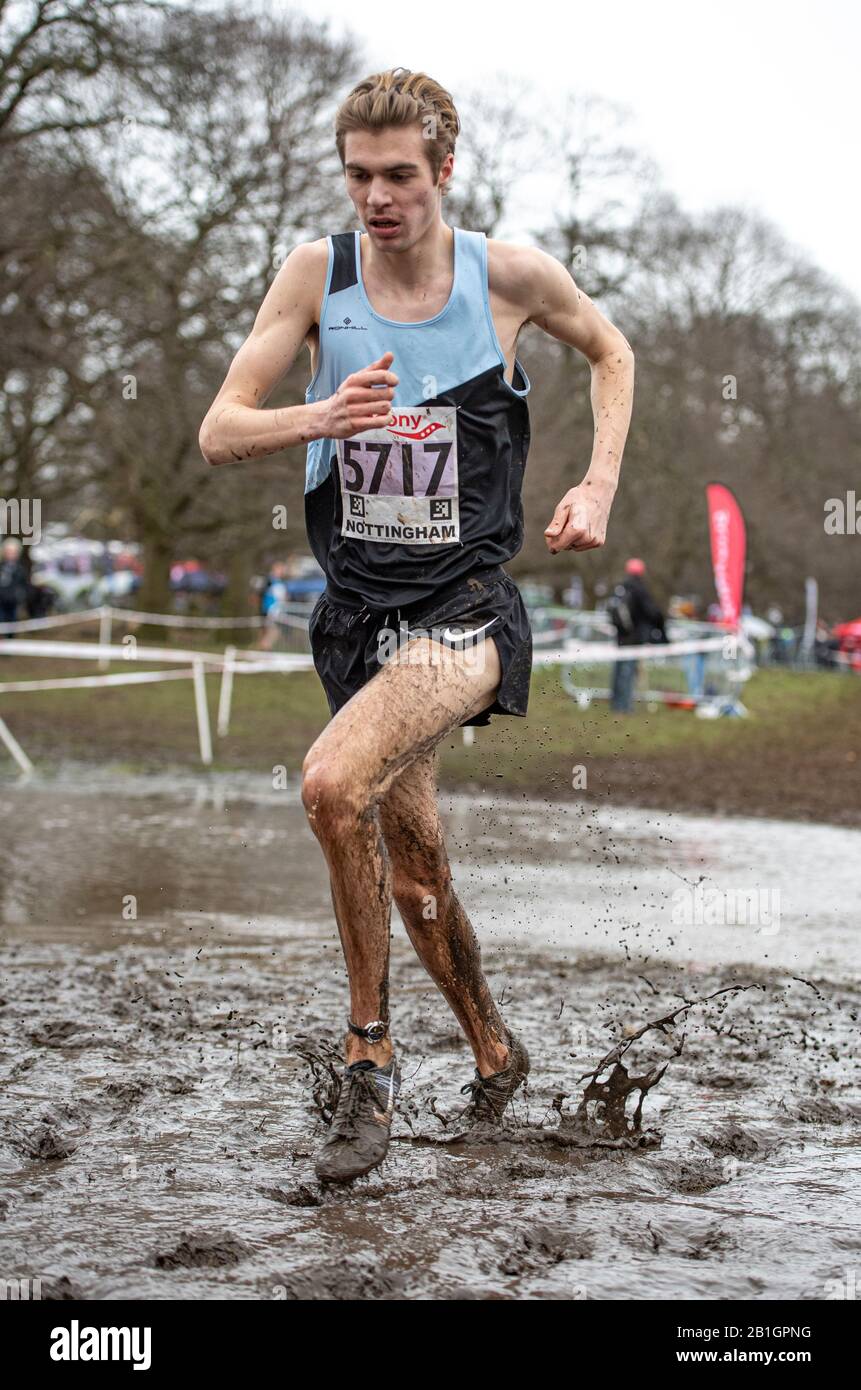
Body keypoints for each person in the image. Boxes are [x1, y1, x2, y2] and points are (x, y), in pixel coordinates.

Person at [199, 68, 635, 1182]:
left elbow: (611, 351)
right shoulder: (317, 273)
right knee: (412, 859)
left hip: (465, 609)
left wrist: (596, 486)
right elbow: (220, 430)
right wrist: (324, 413)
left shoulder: (508, 275)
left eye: (400, 175)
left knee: (331, 783)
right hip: (356, 616)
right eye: (359, 175)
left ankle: (369, 1060)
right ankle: (495, 1047)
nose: (377, 197)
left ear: (444, 170)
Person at [608, 558, 666, 713]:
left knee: (620, 669)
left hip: (621, 636)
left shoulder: (621, 588)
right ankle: (624, 706)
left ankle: (617, 702)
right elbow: (652, 612)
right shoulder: (639, 589)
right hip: (634, 637)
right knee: (628, 671)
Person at [0, 538, 28, 631]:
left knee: (12, 624)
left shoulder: (21, 569)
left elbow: (24, 585)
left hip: (13, 602)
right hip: (1, 602)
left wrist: (21, 596)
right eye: (8, 551)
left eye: (13, 552)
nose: (11, 554)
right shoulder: (2, 567)